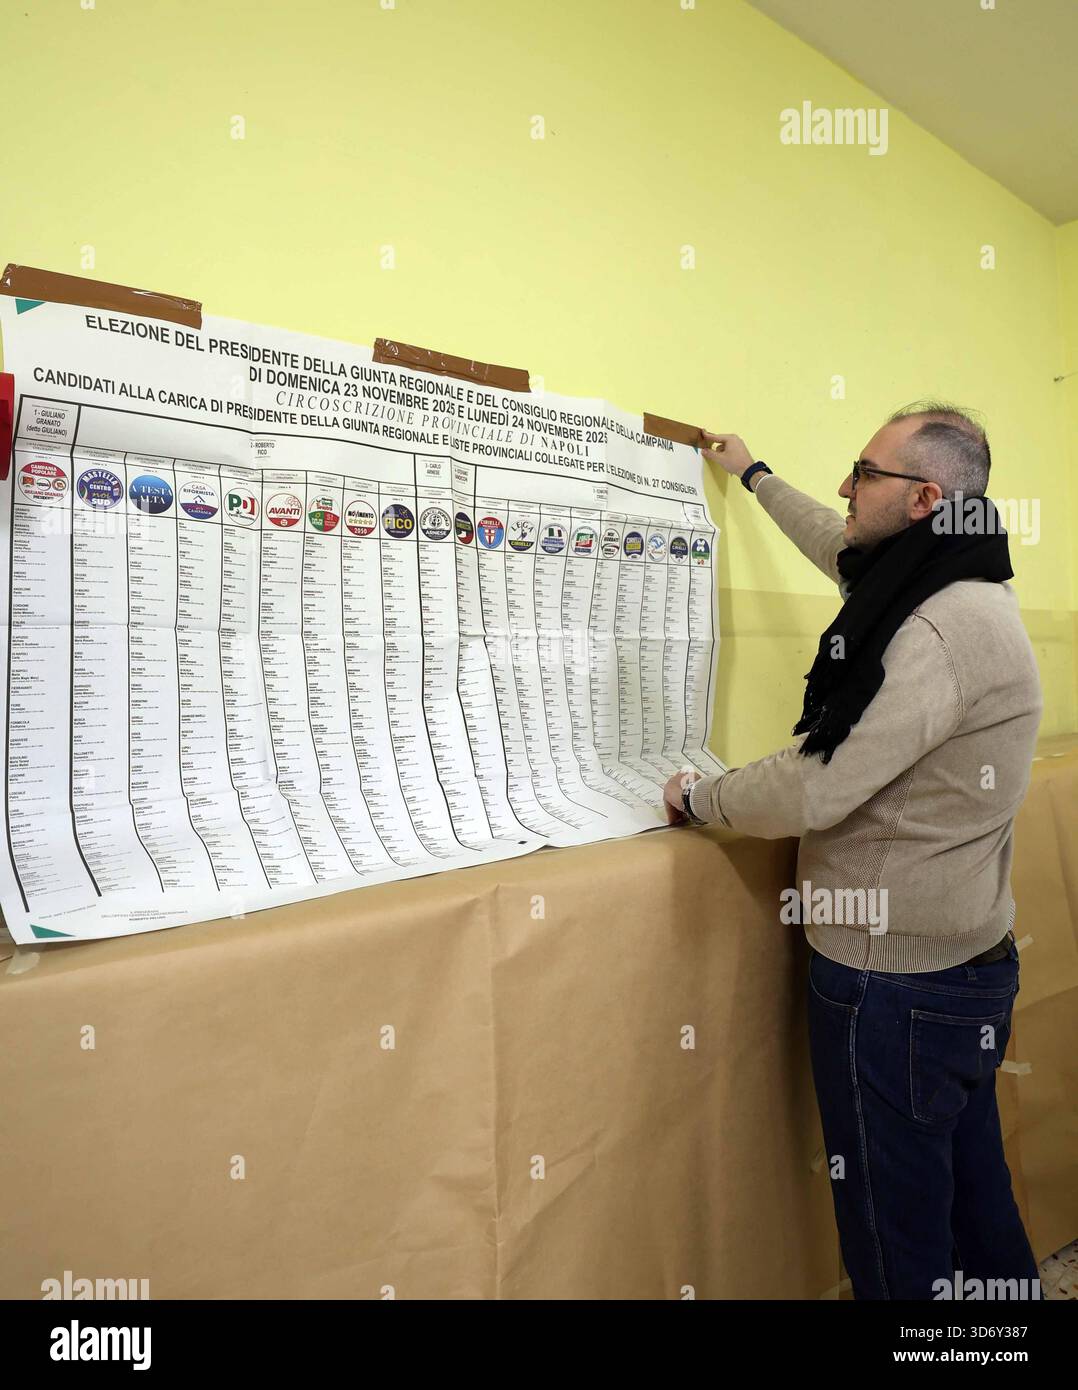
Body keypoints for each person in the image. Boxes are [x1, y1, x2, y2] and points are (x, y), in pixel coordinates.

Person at [663, 402, 1043, 1300]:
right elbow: (833, 544)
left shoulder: (937, 631)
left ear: (920, 499)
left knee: (892, 1231)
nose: (844, 486)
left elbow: (817, 785)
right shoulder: (937, 577)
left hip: (896, 986)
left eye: (863, 473)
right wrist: (754, 477)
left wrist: (700, 795)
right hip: (959, 970)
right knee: (975, 1209)